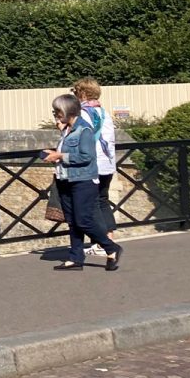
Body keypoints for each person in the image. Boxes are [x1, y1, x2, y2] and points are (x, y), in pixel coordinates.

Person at [44, 94, 122, 272]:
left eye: (57, 112)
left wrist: (60, 156)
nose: (55, 115)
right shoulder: (67, 130)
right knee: (72, 221)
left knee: (83, 220)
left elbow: (87, 156)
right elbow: (68, 152)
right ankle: (75, 258)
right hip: (66, 179)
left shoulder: (84, 130)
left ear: (67, 111)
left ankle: (110, 247)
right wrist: (54, 153)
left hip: (83, 180)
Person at [73, 78, 119, 254]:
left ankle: (102, 243)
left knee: (92, 204)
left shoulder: (83, 113)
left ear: (82, 94)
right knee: (102, 200)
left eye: (76, 93)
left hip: (92, 163)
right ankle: (109, 238)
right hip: (107, 162)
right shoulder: (103, 112)